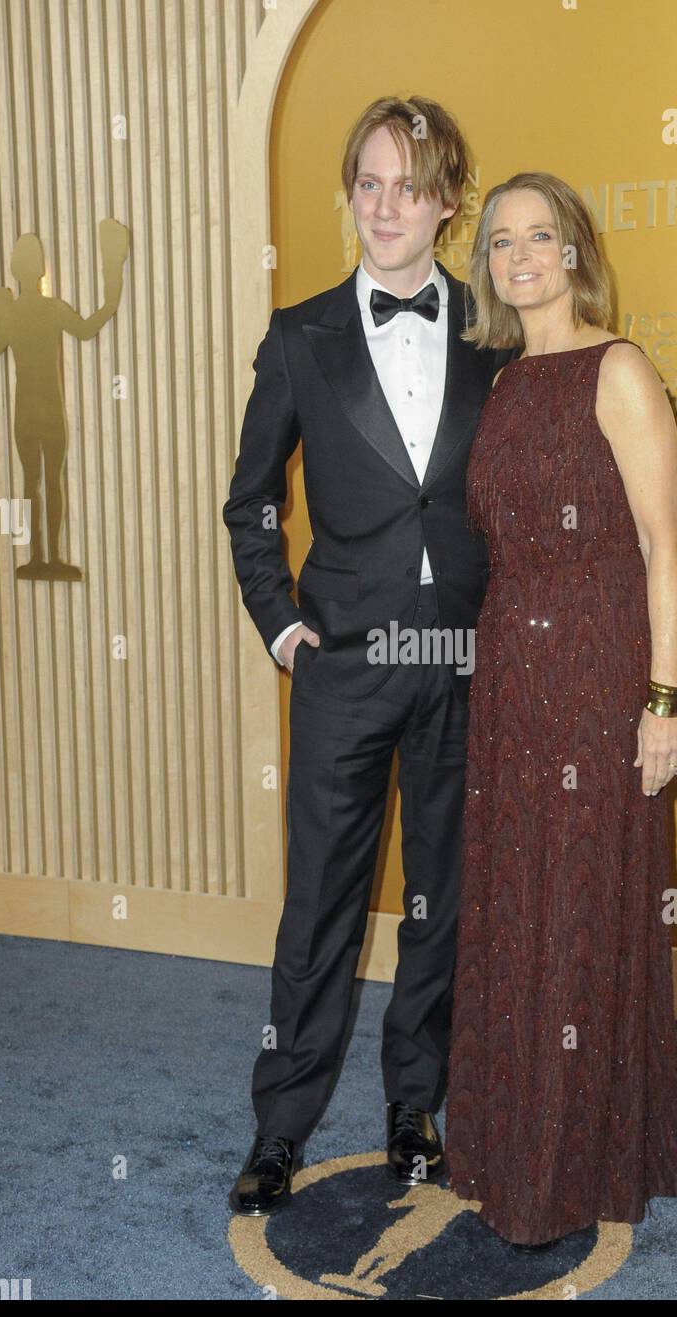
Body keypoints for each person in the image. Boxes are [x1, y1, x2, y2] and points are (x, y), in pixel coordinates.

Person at [222, 96, 514, 1216]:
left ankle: (415, 1108)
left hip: (464, 660)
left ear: (448, 201)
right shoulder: (300, 334)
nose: (387, 205)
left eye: (412, 184)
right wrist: (284, 627)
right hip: (345, 660)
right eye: (370, 182)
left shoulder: (496, 333)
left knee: (442, 895)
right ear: (352, 192)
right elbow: (251, 504)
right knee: (322, 910)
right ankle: (281, 1126)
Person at [443, 172, 677, 1250]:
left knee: (580, 905)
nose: (522, 255)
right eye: (502, 242)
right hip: (510, 676)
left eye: (541, 236)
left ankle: (564, 1166)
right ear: (489, 264)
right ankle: (505, 1143)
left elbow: (663, 548)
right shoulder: (503, 386)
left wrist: (665, 700)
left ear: (575, 250)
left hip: (597, 670)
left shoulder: (620, 367)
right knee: (516, 902)